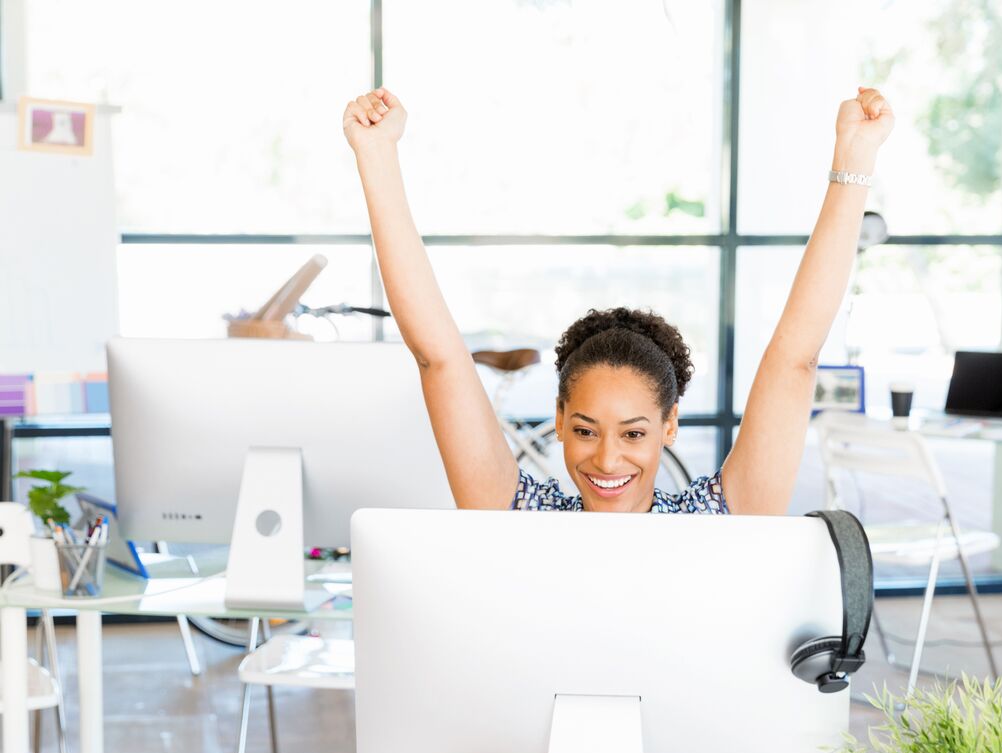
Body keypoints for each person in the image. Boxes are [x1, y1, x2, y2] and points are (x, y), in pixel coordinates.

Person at [343, 86, 893, 515]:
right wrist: (376, 155)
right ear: (558, 420)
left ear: (669, 424)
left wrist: (855, 157)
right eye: (585, 430)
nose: (607, 459)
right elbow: (438, 356)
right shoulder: (522, 516)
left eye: (633, 432)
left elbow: (795, 359)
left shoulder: (719, 518)